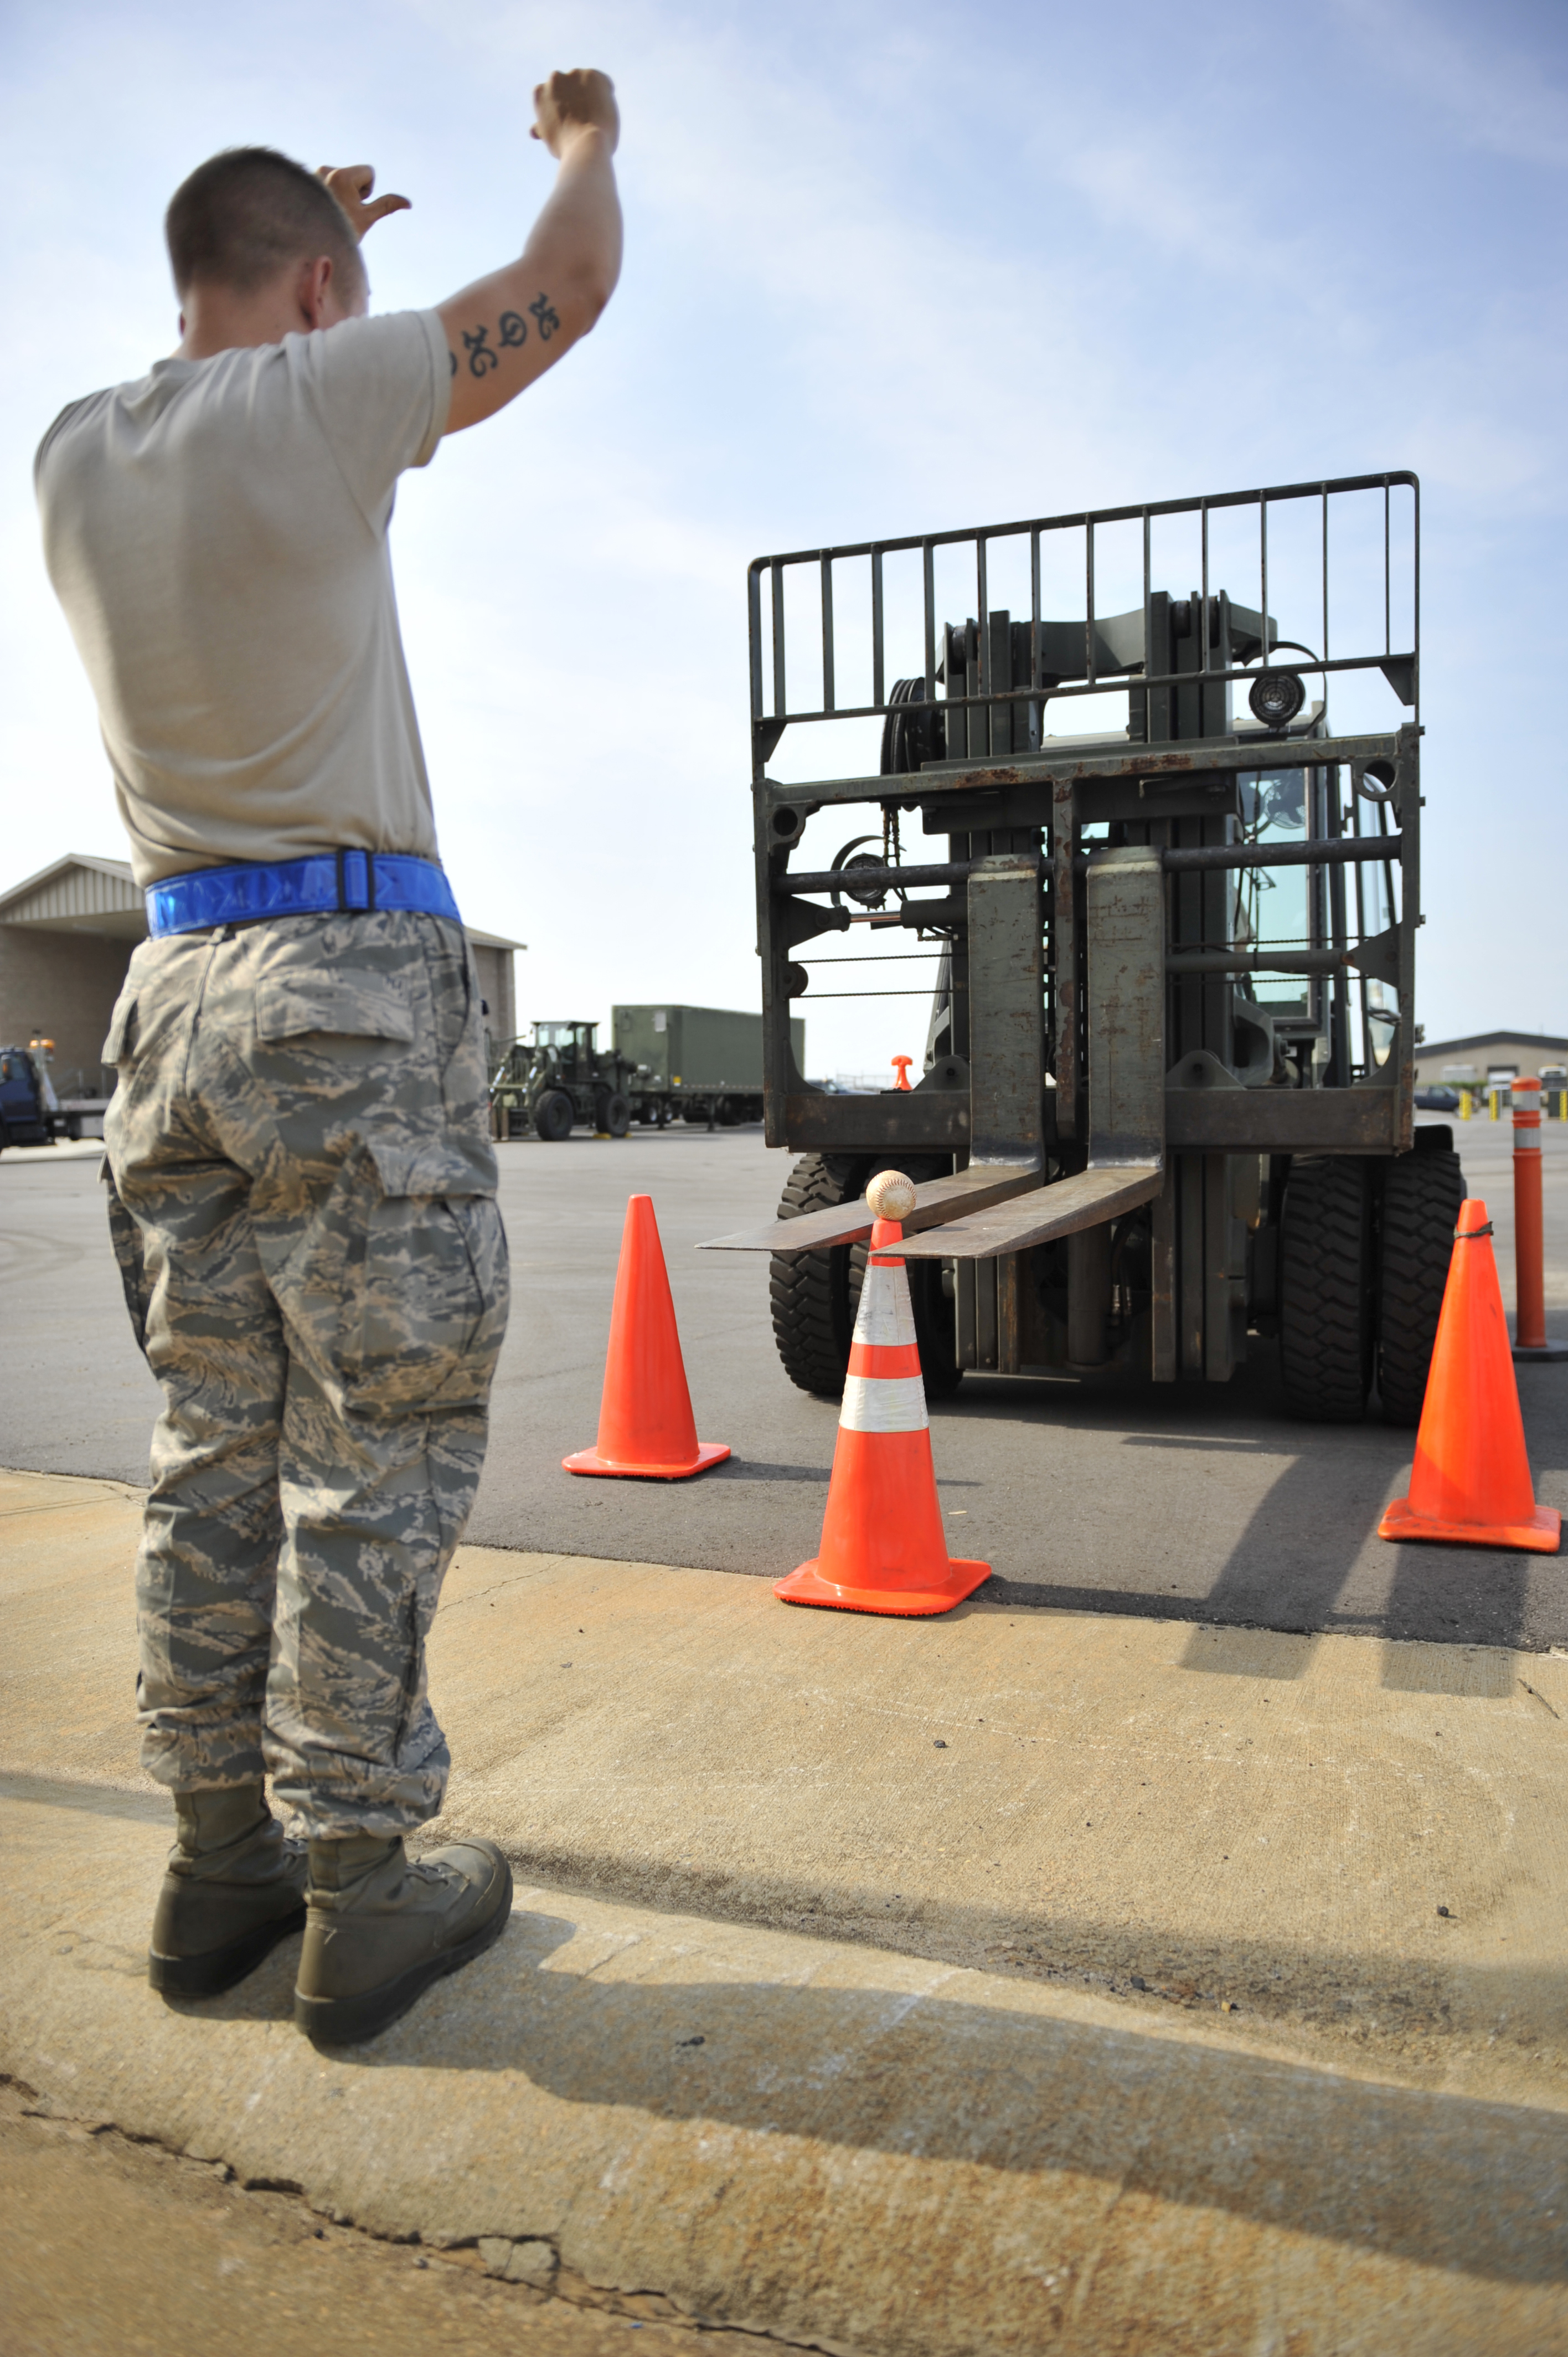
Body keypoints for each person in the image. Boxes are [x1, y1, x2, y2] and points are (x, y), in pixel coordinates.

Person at [34, 70, 623, 2047]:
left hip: (167, 1002)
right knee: (379, 1450)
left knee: (214, 1446)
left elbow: (201, 341)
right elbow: (567, 282)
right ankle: (362, 1886)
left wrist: (303, 250)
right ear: (313, 292)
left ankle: (221, 1871)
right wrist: (582, 142)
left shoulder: (71, 455)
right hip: (345, 996)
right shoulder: (333, 384)